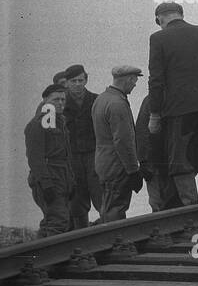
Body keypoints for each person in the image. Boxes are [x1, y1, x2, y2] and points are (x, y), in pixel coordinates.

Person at [147, 1, 198, 206]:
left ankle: (190, 209)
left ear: (160, 19)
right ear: (180, 14)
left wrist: (154, 114)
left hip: (179, 111)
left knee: (180, 161)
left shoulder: (158, 38)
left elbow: (156, 80)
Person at [91, 65, 144, 222]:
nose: (135, 84)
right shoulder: (117, 104)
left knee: (107, 205)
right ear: (128, 79)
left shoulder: (101, 99)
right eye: (134, 80)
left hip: (102, 162)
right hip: (117, 165)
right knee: (116, 207)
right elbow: (123, 141)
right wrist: (133, 170)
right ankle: (115, 242)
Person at [24, 83, 73, 237]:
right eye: (55, 99)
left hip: (62, 178)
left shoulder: (60, 122)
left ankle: (39, 254)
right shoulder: (37, 124)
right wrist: (46, 185)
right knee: (58, 221)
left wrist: (71, 181)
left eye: (63, 100)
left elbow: (66, 156)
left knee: (54, 221)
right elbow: (35, 159)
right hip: (49, 178)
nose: (60, 103)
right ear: (45, 100)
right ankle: (49, 259)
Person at [60, 64, 102, 229]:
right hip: (72, 158)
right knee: (76, 201)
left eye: (80, 80)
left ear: (86, 80)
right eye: (73, 81)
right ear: (67, 82)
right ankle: (81, 237)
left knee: (101, 195)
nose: (77, 84)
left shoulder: (96, 100)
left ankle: (108, 235)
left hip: (94, 156)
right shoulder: (60, 104)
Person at [135, 96, 180, 212]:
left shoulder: (149, 101)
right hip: (161, 160)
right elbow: (141, 132)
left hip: (159, 160)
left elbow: (140, 131)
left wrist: (142, 160)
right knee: (164, 201)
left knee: (158, 202)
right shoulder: (154, 101)